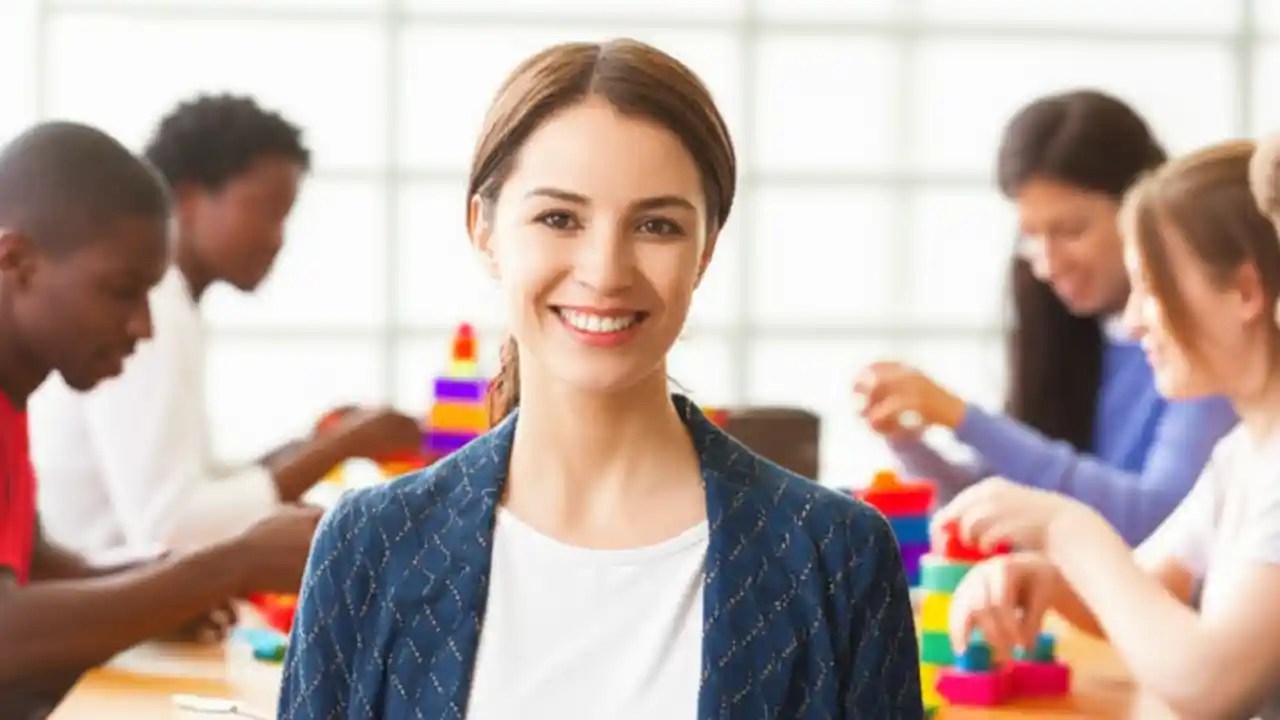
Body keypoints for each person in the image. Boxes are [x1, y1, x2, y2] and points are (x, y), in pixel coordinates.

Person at [278, 38, 922, 719]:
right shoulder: (369, 545)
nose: (606, 270)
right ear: (484, 230)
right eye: (559, 218)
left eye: (657, 225)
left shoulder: (836, 557)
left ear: (706, 249)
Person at [936, 140, 1280, 719]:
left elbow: (1210, 684)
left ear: (1245, 292)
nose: (1136, 320)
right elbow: (1149, 593)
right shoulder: (1242, 454)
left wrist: (1065, 528)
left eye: (1153, 288)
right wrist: (1042, 579)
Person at [0, 122, 320, 719]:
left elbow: (43, 567)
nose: (144, 328)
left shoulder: (11, 404)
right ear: (17, 261)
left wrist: (170, 594)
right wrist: (228, 566)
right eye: (122, 291)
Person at [30, 94, 422, 561]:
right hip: (109, 588)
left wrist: (314, 443)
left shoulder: (173, 304)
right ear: (189, 199)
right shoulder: (151, 310)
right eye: (265, 210)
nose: (277, 238)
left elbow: (190, 489)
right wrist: (340, 445)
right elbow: (170, 526)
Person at [854, 90, 1237, 545]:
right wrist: (908, 440)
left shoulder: (1207, 342)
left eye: (1071, 231)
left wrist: (963, 418)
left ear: (1144, 213)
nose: (1048, 265)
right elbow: (998, 503)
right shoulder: (1070, 332)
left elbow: (1158, 521)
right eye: (1031, 236)